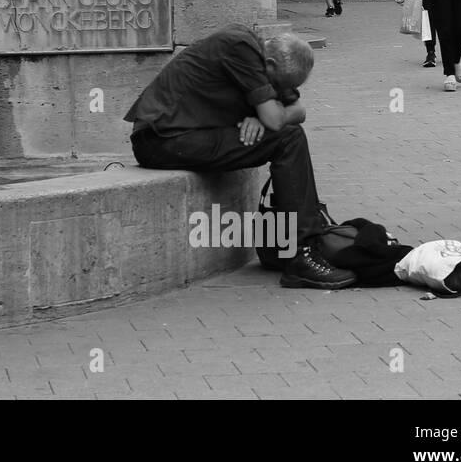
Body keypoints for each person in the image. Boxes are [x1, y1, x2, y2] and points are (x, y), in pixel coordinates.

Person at [124, 25, 356, 289]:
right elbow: (274, 119)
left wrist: (267, 115)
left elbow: (297, 111)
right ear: (269, 65)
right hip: (162, 140)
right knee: (288, 138)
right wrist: (267, 116)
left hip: (191, 136)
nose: (279, 91)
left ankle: (291, 247)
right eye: (278, 86)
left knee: (288, 133)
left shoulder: (270, 64)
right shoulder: (240, 48)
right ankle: (300, 254)